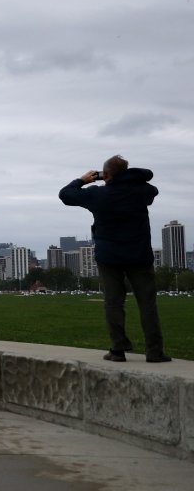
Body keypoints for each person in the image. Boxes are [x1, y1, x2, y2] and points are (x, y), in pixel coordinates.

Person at [59, 155, 171, 363]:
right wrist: (129, 179)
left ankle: (118, 350)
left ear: (106, 174)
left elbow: (65, 195)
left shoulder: (98, 194)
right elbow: (152, 190)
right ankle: (154, 352)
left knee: (113, 303)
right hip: (139, 255)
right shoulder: (140, 192)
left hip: (109, 257)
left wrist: (83, 180)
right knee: (147, 304)